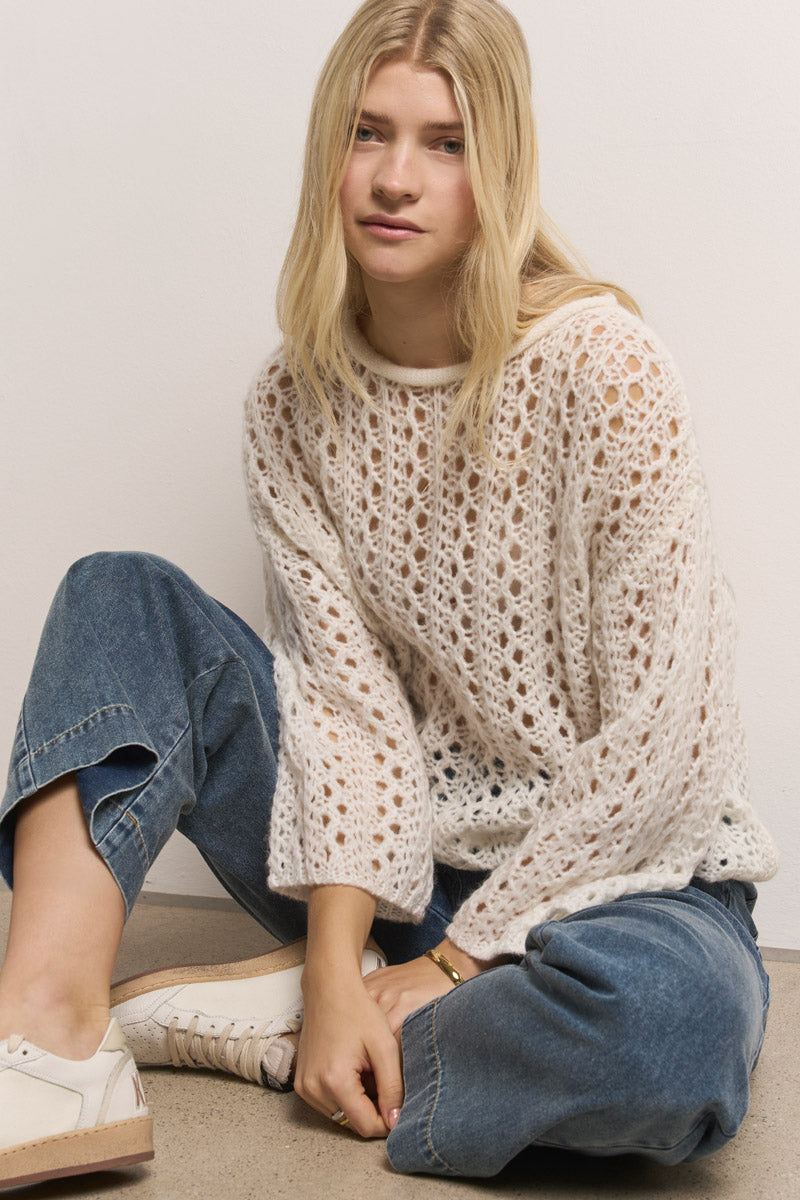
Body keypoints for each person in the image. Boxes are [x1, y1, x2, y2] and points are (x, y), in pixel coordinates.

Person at [0, 0, 779, 1187]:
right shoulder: (291, 401)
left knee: (672, 1033)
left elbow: (660, 747)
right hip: (389, 876)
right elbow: (343, 712)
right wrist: (334, 963)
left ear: (497, 167)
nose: (395, 178)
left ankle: (333, 1039)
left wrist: (454, 963)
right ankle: (47, 1042)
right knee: (118, 598)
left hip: (619, 888)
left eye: (444, 143)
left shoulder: (602, 367)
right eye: (368, 132)